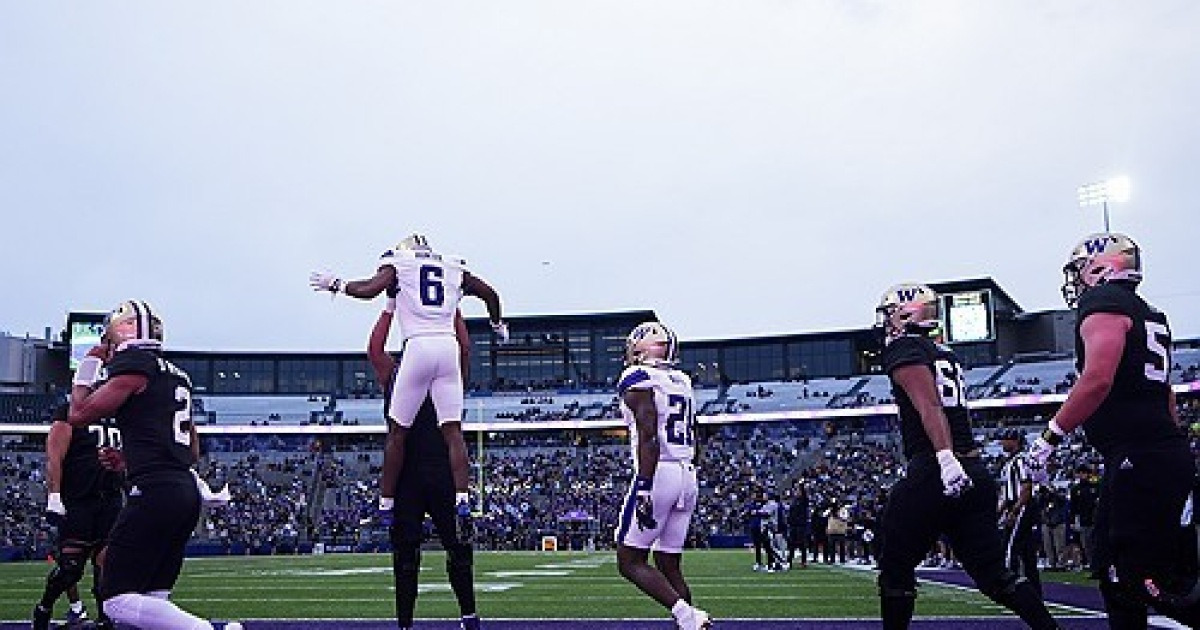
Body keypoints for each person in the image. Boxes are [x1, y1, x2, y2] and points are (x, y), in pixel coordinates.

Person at [1028, 233, 1200, 627]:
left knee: (1141, 580)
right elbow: (1166, 396)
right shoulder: (1147, 311)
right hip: (1148, 454)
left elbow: (1097, 379)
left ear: (1100, 267)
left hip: (1140, 456)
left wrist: (1050, 437)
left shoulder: (1103, 303)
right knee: (1112, 569)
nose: (1075, 282)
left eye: (1078, 271)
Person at [873, 284, 1059, 630]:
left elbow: (929, 405)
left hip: (936, 468)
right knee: (995, 577)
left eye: (889, 315)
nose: (886, 323)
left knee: (895, 569)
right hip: (974, 470)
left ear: (905, 313)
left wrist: (944, 459)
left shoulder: (905, 348)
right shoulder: (945, 354)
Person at [310, 233, 507, 519]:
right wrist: (497, 324)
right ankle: (463, 498)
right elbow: (491, 295)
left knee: (398, 432)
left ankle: (386, 504)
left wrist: (337, 285)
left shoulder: (400, 264)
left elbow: (369, 289)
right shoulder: (452, 267)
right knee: (454, 432)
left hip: (418, 345)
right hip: (447, 347)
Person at [67, 300, 220, 629]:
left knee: (117, 600)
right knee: (152, 601)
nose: (107, 350)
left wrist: (87, 369)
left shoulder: (135, 366)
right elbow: (191, 449)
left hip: (155, 492)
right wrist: (129, 460)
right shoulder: (177, 375)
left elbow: (78, 414)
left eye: (108, 342)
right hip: (182, 488)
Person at [366, 290, 481, 630]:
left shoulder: (448, 369)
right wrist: (388, 307)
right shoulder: (394, 372)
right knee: (405, 558)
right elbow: (374, 349)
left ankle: (469, 616)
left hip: (443, 472)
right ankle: (405, 624)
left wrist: (451, 308)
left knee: (460, 551)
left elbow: (464, 348)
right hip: (407, 478)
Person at [614, 322, 711, 630]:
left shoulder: (637, 376)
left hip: (659, 472)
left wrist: (644, 487)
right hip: (687, 473)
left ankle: (687, 616)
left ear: (642, 348)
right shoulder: (682, 380)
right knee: (669, 564)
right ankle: (689, 621)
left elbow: (648, 435)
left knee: (629, 561)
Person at [32, 401, 125, 630]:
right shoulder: (71, 410)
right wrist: (54, 495)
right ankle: (44, 608)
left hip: (110, 498)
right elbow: (55, 453)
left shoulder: (121, 411)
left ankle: (105, 618)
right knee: (70, 569)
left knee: (107, 566)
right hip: (78, 499)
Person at [996, 429, 1041, 595]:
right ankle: (1035, 590)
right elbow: (1006, 492)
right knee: (1027, 551)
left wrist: (1015, 510)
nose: (1002, 443)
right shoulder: (1010, 462)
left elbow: (1026, 486)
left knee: (1010, 548)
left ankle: (1010, 587)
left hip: (1022, 506)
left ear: (1015, 441)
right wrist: (1000, 512)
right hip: (1015, 505)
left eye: (1005, 440)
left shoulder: (1020, 460)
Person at [1067, 465, 1099, 575]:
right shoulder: (1076, 489)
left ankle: (1096, 565)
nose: (1082, 475)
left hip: (1096, 520)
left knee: (1095, 543)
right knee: (1086, 544)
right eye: (1080, 473)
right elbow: (1073, 507)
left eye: (1084, 473)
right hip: (1083, 520)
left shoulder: (1095, 486)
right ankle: (1090, 565)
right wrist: (1072, 520)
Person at [787, 483, 811, 568]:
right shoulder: (794, 501)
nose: (796, 492)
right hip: (793, 525)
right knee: (791, 544)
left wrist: (801, 485)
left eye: (797, 490)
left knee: (802, 544)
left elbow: (804, 495)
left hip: (801, 525)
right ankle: (789, 561)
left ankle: (803, 562)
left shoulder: (803, 500)